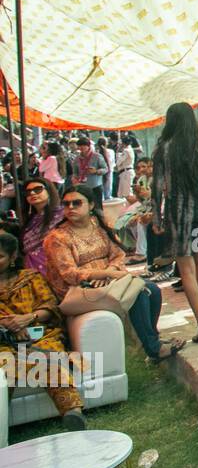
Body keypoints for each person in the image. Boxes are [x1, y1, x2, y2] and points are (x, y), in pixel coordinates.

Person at [44, 185, 182, 363]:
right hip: (79, 290)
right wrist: (101, 275)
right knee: (139, 294)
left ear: (91, 205)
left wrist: (110, 273)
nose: (70, 208)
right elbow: (69, 273)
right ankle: (154, 349)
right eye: (66, 204)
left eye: (76, 203)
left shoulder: (100, 226)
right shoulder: (57, 238)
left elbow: (118, 254)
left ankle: (152, 339)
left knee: (153, 289)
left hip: (108, 280)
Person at [150, 103, 198, 344]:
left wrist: (157, 218)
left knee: (186, 268)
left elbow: (158, 186)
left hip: (178, 216)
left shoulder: (163, 150)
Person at [0, 231, 87, 430]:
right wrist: (9, 326)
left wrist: (27, 318)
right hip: (3, 342)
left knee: (46, 359)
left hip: (39, 336)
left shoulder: (30, 278)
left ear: (13, 257)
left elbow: (50, 306)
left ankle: (73, 413)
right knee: (6, 365)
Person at [21, 178, 63, 280]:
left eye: (38, 189)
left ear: (49, 191)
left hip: (57, 263)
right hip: (32, 269)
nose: (32, 193)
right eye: (28, 192)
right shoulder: (30, 220)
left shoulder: (62, 214)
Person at [70, 137, 110, 209]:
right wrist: (74, 178)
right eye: (79, 146)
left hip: (95, 186)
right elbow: (75, 172)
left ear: (88, 146)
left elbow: (106, 169)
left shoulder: (97, 156)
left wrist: (96, 171)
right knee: (85, 207)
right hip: (82, 186)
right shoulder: (77, 158)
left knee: (97, 208)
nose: (81, 147)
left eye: (83, 145)